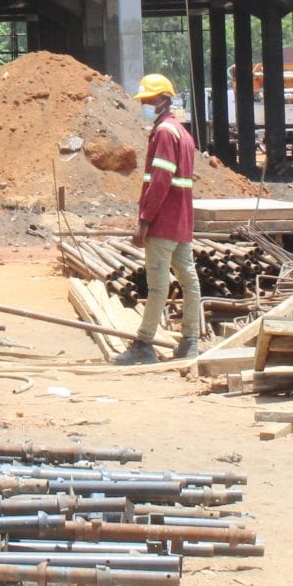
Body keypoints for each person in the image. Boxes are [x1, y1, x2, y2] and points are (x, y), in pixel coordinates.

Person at [113, 73, 202, 366]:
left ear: (163, 98)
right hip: (182, 222)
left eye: (150, 99)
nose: (147, 104)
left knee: (157, 285)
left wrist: (145, 220)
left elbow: (160, 181)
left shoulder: (164, 132)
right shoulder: (183, 133)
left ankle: (145, 343)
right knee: (188, 278)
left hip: (163, 222)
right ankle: (191, 340)